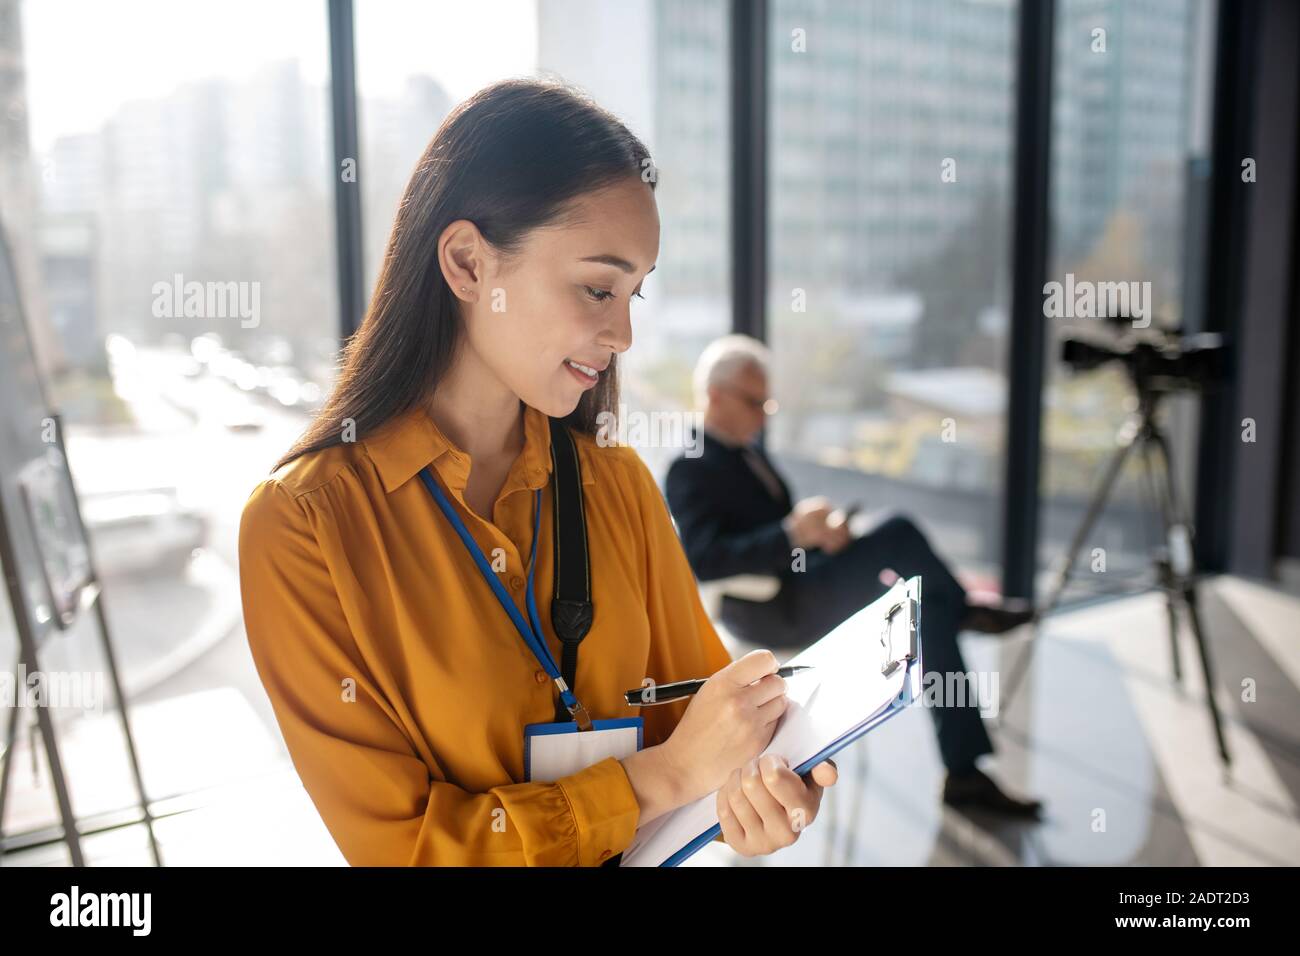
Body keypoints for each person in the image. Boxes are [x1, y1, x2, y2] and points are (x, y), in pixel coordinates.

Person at [237, 80, 837, 867]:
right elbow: (409, 852)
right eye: (597, 287)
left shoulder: (619, 486)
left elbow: (705, 734)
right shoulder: (302, 528)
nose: (622, 332)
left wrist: (756, 790)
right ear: (466, 262)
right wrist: (660, 779)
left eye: (633, 294)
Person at [665, 335, 1043, 818]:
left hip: (804, 580)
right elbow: (703, 560)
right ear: (714, 396)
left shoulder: (746, 452)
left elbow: (776, 533)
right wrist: (790, 533)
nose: (764, 414)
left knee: (928, 607)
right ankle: (965, 742)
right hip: (774, 610)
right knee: (900, 534)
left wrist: (819, 535)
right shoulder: (689, 466)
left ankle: (964, 771)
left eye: (767, 402)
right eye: (754, 401)